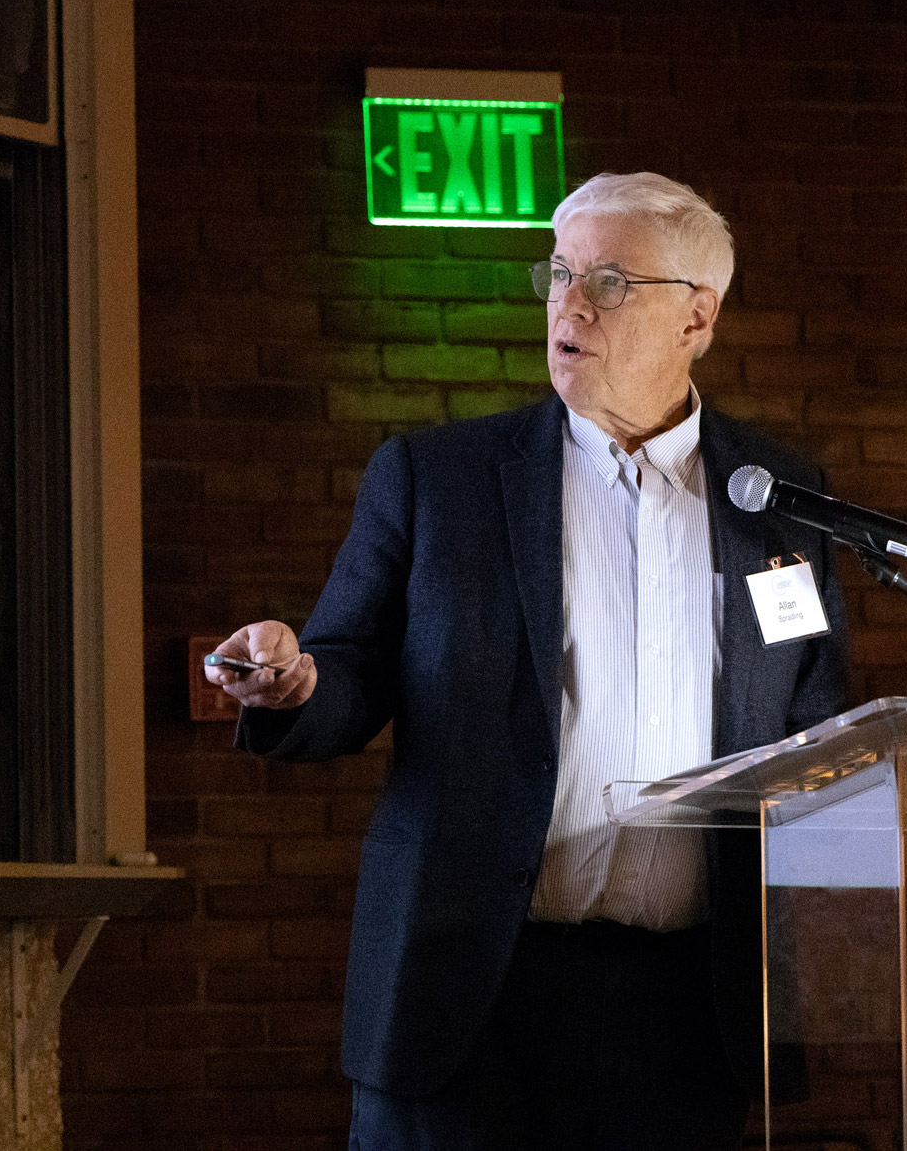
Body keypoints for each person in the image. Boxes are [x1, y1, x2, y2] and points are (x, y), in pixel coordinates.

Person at [206, 172, 850, 1150]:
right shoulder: (440, 478)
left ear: (696, 315)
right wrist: (292, 680)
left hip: (686, 1008)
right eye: (556, 273)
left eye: (605, 279)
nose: (566, 302)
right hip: (470, 987)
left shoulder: (777, 495)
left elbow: (813, 713)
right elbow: (345, 668)